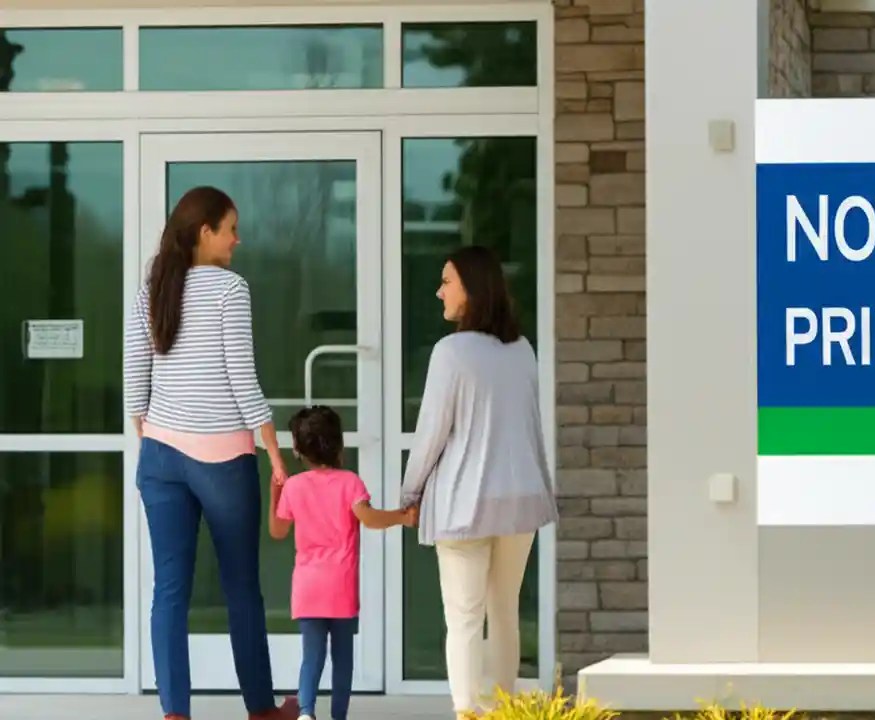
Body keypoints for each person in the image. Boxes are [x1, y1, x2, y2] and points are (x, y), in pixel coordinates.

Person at [124, 186, 298, 720]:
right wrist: (275, 453)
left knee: (169, 589)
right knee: (241, 584)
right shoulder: (228, 288)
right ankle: (261, 711)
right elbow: (243, 380)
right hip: (222, 460)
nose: (237, 240)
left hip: (158, 457)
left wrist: (160, 441)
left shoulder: (148, 289)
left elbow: (135, 387)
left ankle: (175, 713)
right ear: (206, 232)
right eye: (231, 229)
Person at [400, 245, 559, 718]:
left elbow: (431, 432)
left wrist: (410, 492)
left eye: (447, 281)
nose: (438, 291)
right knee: (503, 611)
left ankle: (469, 712)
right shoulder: (522, 349)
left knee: (465, 619)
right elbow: (533, 427)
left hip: (463, 503)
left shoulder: (450, 352)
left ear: (471, 288)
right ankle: (504, 711)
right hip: (520, 499)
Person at [268, 406, 418, 720]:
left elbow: (277, 531)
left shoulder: (294, 486)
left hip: (307, 588)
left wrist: (274, 493)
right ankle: (338, 716)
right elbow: (370, 519)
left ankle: (306, 712)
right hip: (341, 586)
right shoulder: (350, 482)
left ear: (298, 450)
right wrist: (402, 517)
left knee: (311, 657)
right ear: (338, 445)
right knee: (343, 658)